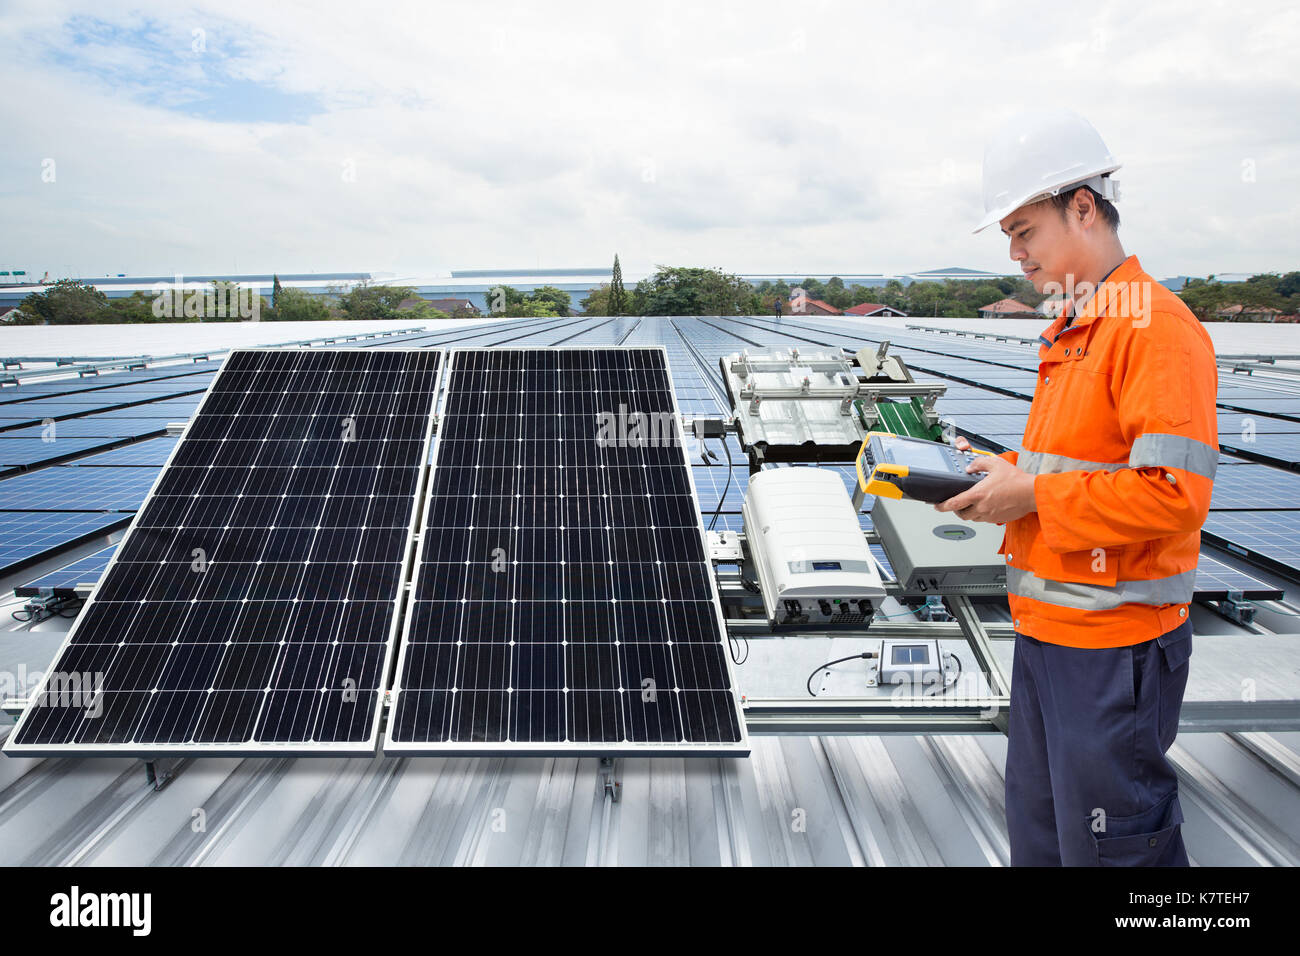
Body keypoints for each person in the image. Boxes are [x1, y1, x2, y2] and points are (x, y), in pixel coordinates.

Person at [934, 108, 1218, 866]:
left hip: (1114, 650)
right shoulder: (1076, 331)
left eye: (1025, 231)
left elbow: (1172, 494)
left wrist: (1031, 497)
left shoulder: (1154, 329)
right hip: (1050, 637)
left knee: (1114, 852)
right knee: (1047, 839)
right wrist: (1009, 479)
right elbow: (1074, 472)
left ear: (1083, 207)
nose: (1017, 255)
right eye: (1009, 239)